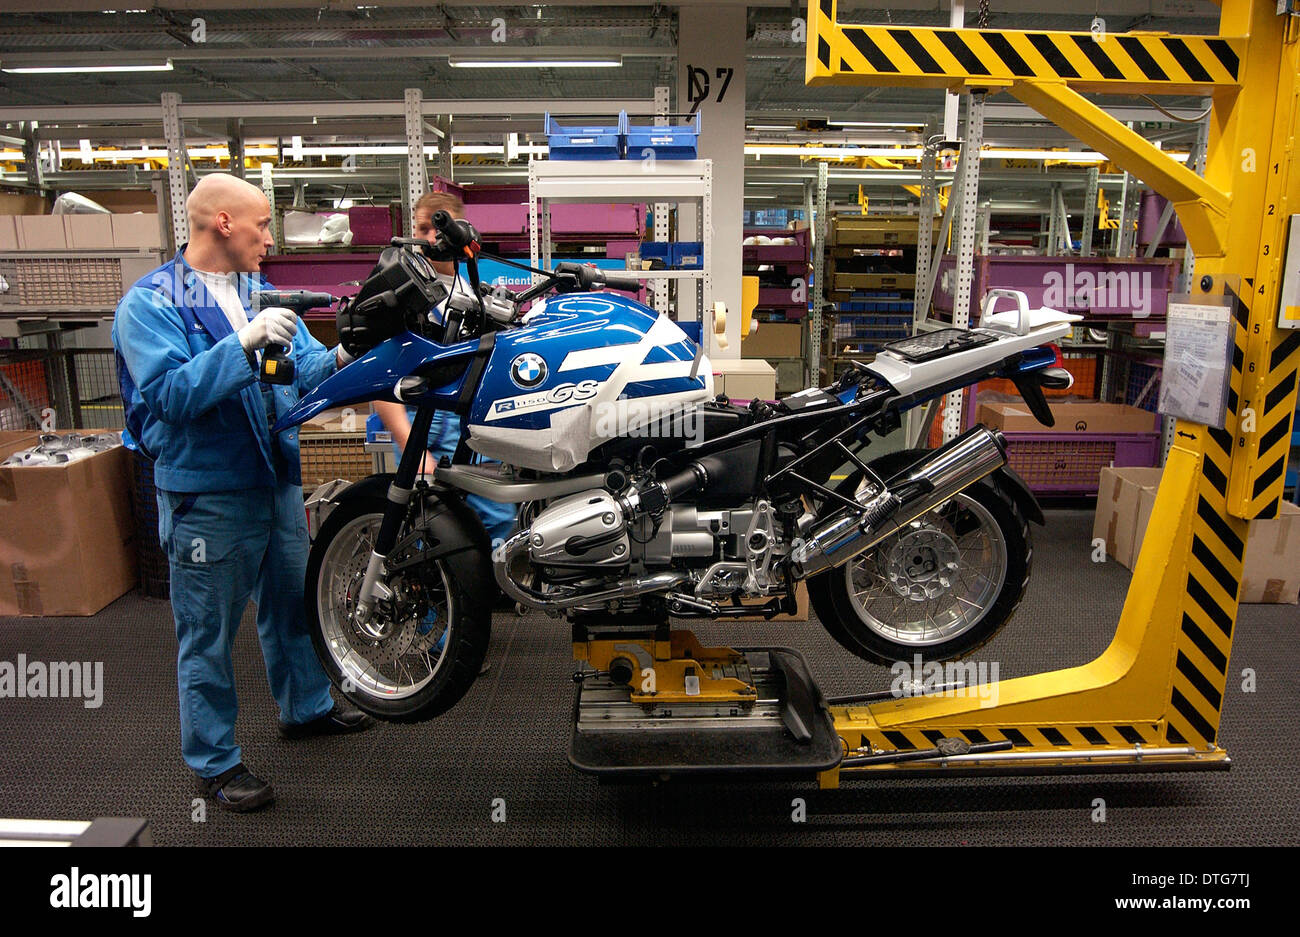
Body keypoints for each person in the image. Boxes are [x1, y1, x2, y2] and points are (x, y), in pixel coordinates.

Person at [112, 173, 373, 814]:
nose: (269, 238)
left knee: (290, 606)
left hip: (274, 482)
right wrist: (242, 345)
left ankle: (305, 707)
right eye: (261, 224)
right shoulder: (151, 304)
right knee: (207, 634)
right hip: (208, 495)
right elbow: (171, 397)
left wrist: (350, 354)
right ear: (222, 223)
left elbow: (303, 370)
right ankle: (215, 762)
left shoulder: (256, 291)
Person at [372, 190, 517, 546]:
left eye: (435, 228)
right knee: (431, 533)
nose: (426, 237)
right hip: (424, 429)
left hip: (473, 428)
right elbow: (382, 383)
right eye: (420, 228)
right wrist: (412, 448)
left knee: (496, 523)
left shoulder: (476, 295)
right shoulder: (403, 296)